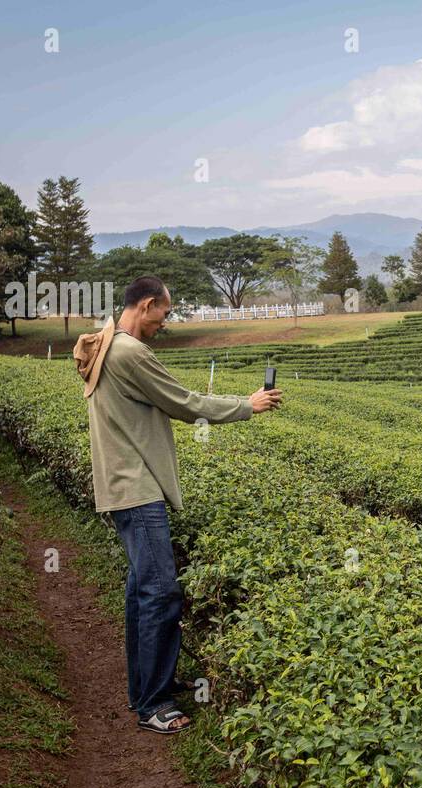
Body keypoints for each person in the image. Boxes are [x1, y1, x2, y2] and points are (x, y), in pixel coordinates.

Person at [73, 276, 282, 733]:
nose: (164, 324)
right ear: (147, 305)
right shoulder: (129, 352)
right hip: (137, 489)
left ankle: (145, 688)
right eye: (164, 314)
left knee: (141, 591)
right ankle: (154, 705)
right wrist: (248, 404)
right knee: (161, 592)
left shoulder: (108, 341)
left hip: (122, 486)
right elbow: (185, 404)